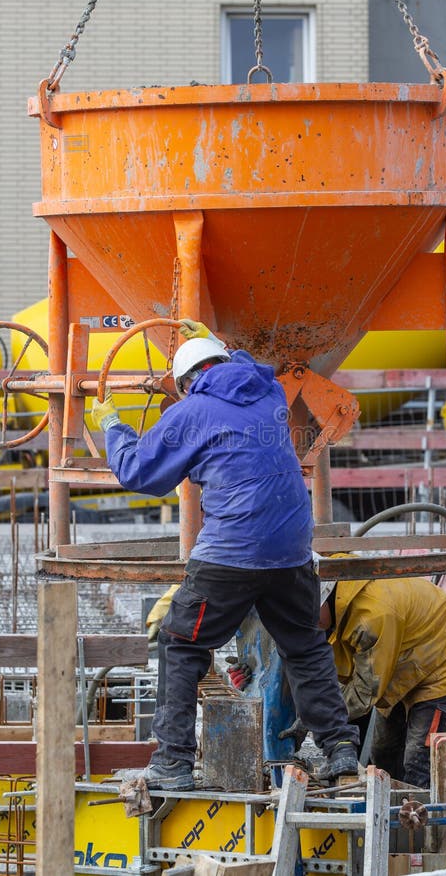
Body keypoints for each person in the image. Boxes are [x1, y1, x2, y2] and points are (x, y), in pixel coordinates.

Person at [91, 319, 359, 791]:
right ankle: (340, 751)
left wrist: (113, 426)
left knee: (182, 643)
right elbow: (246, 370)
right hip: (293, 550)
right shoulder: (270, 393)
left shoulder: (192, 411)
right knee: (305, 647)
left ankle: (173, 761)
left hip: (232, 551)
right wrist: (221, 344)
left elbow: (138, 472)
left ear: (186, 383)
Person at [278, 576, 446, 789]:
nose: (309, 623)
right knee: (383, 751)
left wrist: (315, 717)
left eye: (310, 614)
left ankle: (424, 817)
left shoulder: (371, 619)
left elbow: (363, 693)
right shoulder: (334, 593)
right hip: (400, 661)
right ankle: (389, 813)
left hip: (443, 659)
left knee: (420, 761)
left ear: (325, 599)